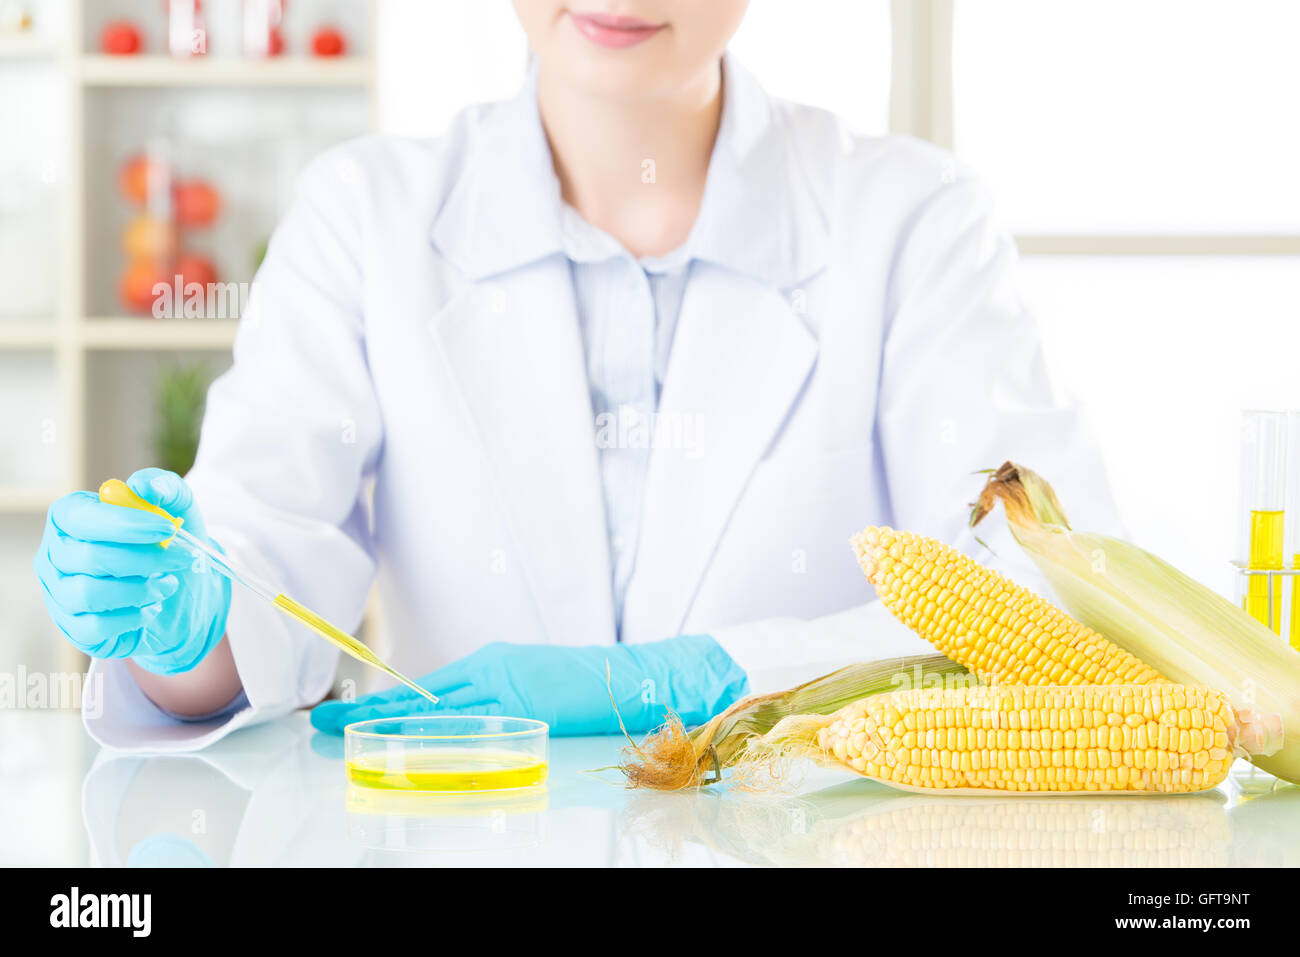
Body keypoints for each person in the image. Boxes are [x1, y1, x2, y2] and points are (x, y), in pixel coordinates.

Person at [34, 1, 1119, 751]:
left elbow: (1046, 592)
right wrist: (182, 629)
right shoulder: (365, 217)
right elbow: (261, 563)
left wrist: (699, 675)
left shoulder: (912, 222)